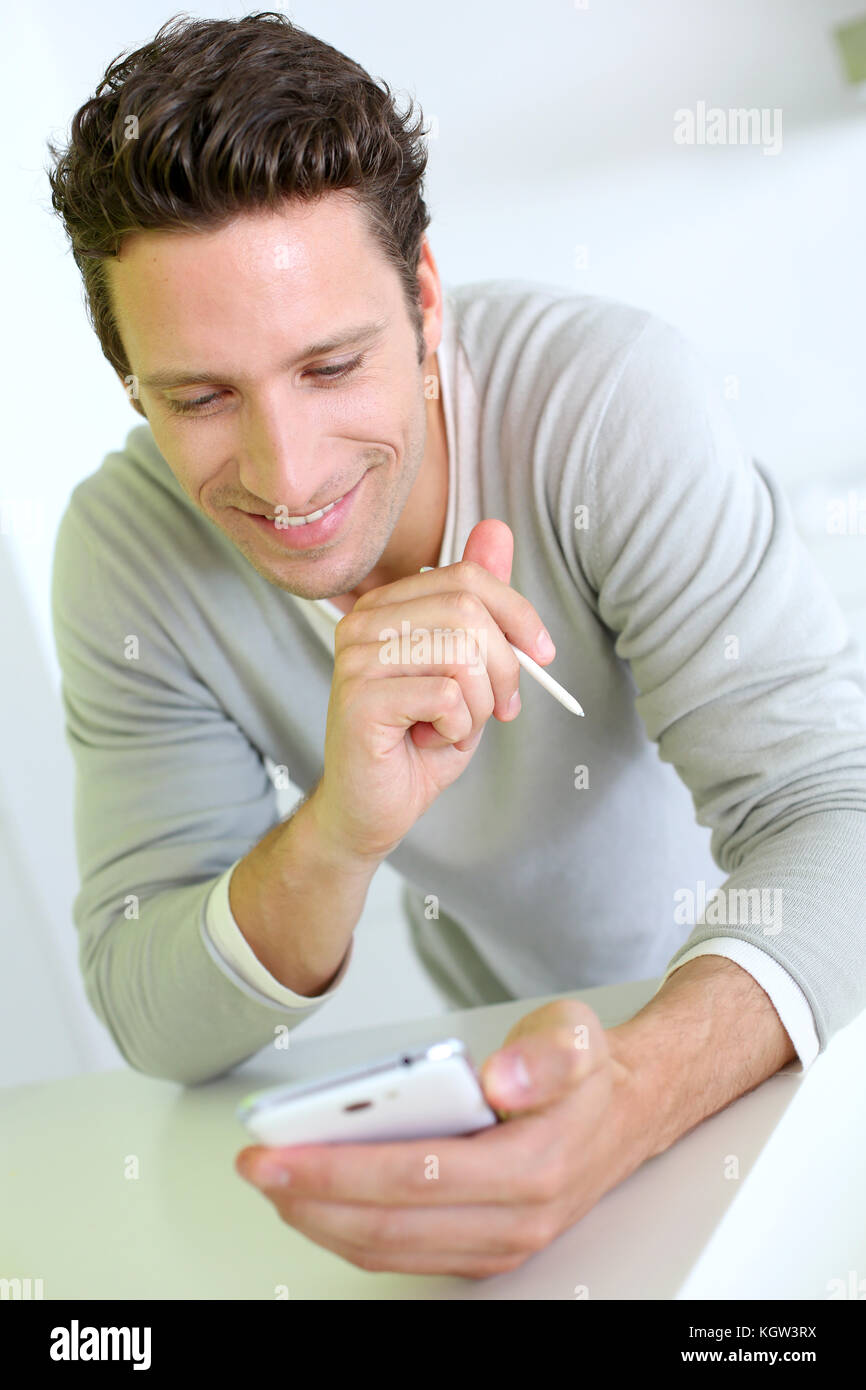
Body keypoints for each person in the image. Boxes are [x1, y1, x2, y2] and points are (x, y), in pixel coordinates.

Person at [46, 12, 866, 1279]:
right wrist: (339, 828)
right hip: (525, 1044)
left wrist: (632, 1095)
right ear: (129, 379)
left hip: (806, 1029)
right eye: (200, 397)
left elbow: (836, 813)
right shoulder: (122, 551)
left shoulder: (605, 403)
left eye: (331, 365)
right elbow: (156, 1013)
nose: (287, 473)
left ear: (424, 301)